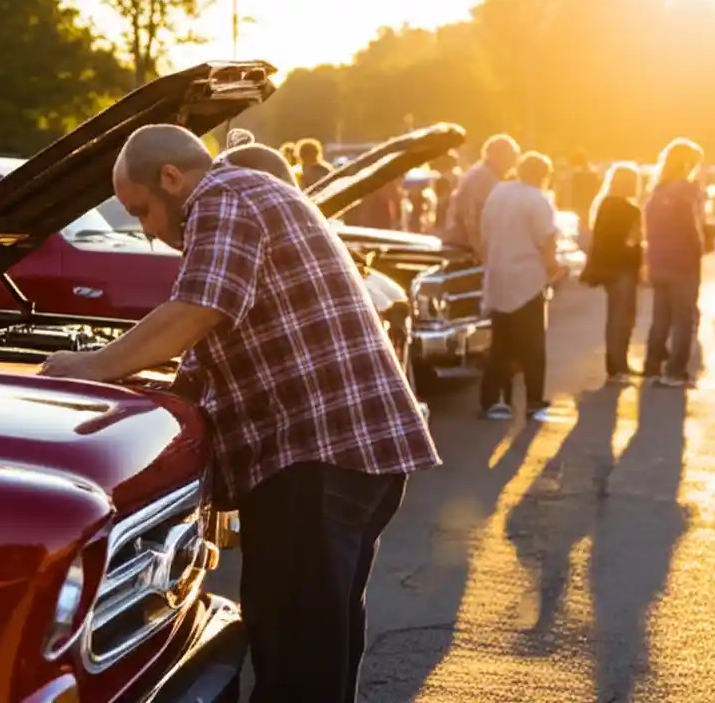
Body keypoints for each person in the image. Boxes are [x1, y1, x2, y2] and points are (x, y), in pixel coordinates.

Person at [39, 124, 440, 702]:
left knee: (294, 662)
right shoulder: (254, 198)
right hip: (353, 454)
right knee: (321, 646)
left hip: (316, 459)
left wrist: (90, 366)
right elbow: (205, 356)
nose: (149, 232)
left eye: (142, 210)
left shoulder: (225, 197)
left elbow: (195, 311)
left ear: (172, 178)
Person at [478, 152, 567, 422]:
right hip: (527, 279)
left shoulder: (498, 192)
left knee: (501, 343)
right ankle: (534, 402)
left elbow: (484, 230)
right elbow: (546, 239)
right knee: (532, 346)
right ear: (544, 175)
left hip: (498, 275)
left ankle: (493, 400)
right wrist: (554, 268)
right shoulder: (537, 199)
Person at [642, 138, 707, 387]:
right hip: (684, 262)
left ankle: (652, 366)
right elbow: (693, 226)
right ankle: (676, 370)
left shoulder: (657, 191)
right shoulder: (688, 191)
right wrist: (700, 247)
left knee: (661, 317)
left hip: (659, 261)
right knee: (684, 319)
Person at [583, 162, 644, 383]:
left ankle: (616, 365)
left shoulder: (603, 206)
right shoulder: (631, 211)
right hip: (625, 268)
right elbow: (633, 241)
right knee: (625, 317)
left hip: (607, 268)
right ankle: (620, 366)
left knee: (614, 317)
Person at [447, 134, 521, 255]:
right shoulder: (481, 178)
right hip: (466, 248)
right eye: (511, 158)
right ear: (497, 156)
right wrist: (482, 254)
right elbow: (471, 219)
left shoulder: (488, 176)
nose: (512, 165)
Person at [568, 150, 602, 250]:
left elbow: (574, 190)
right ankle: (587, 242)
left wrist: (572, 203)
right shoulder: (593, 173)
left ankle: (584, 243)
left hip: (582, 202)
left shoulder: (577, 175)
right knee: (588, 222)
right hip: (591, 201)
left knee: (583, 222)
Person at [431, 152, 460, 234]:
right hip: (451, 209)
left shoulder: (441, 179)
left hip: (445, 209)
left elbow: (439, 197)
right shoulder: (457, 178)